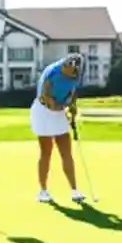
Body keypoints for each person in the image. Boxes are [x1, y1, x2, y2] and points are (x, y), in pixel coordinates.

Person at [30, 53, 87, 203]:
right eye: (70, 68)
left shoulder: (76, 75)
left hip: (59, 111)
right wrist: (60, 106)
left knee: (66, 152)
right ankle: (43, 191)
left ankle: (74, 190)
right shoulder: (52, 72)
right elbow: (46, 98)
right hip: (42, 111)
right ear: (65, 65)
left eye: (76, 70)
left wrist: (72, 109)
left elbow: (72, 94)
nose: (73, 72)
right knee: (46, 151)